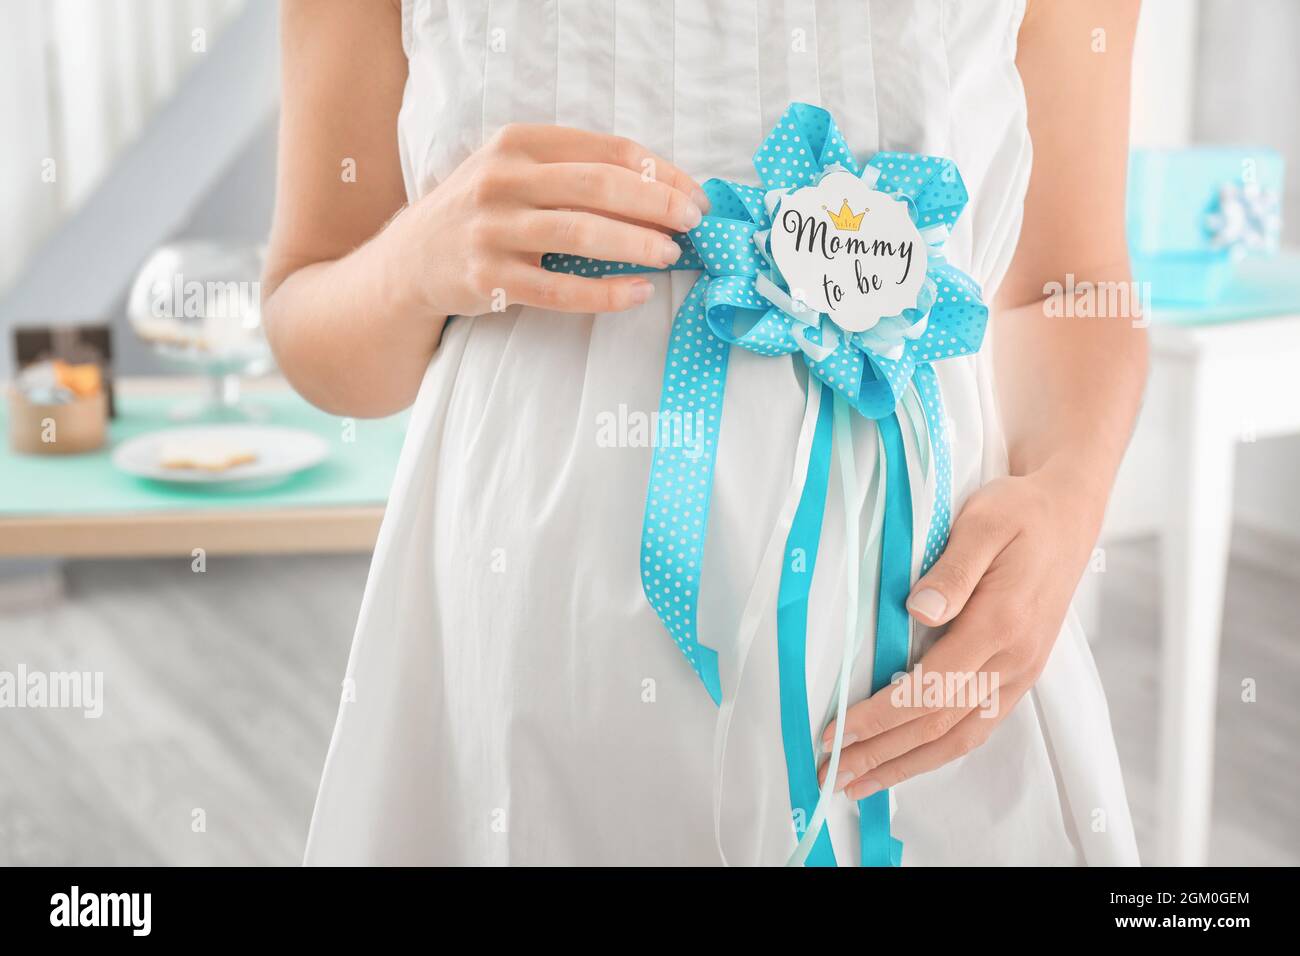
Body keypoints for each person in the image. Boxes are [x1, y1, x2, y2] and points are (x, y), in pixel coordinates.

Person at [264, 0, 1148, 865]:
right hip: (529, 655)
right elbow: (309, 314)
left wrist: (1067, 505)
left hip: (921, 666)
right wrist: (413, 264)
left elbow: (1070, 283)